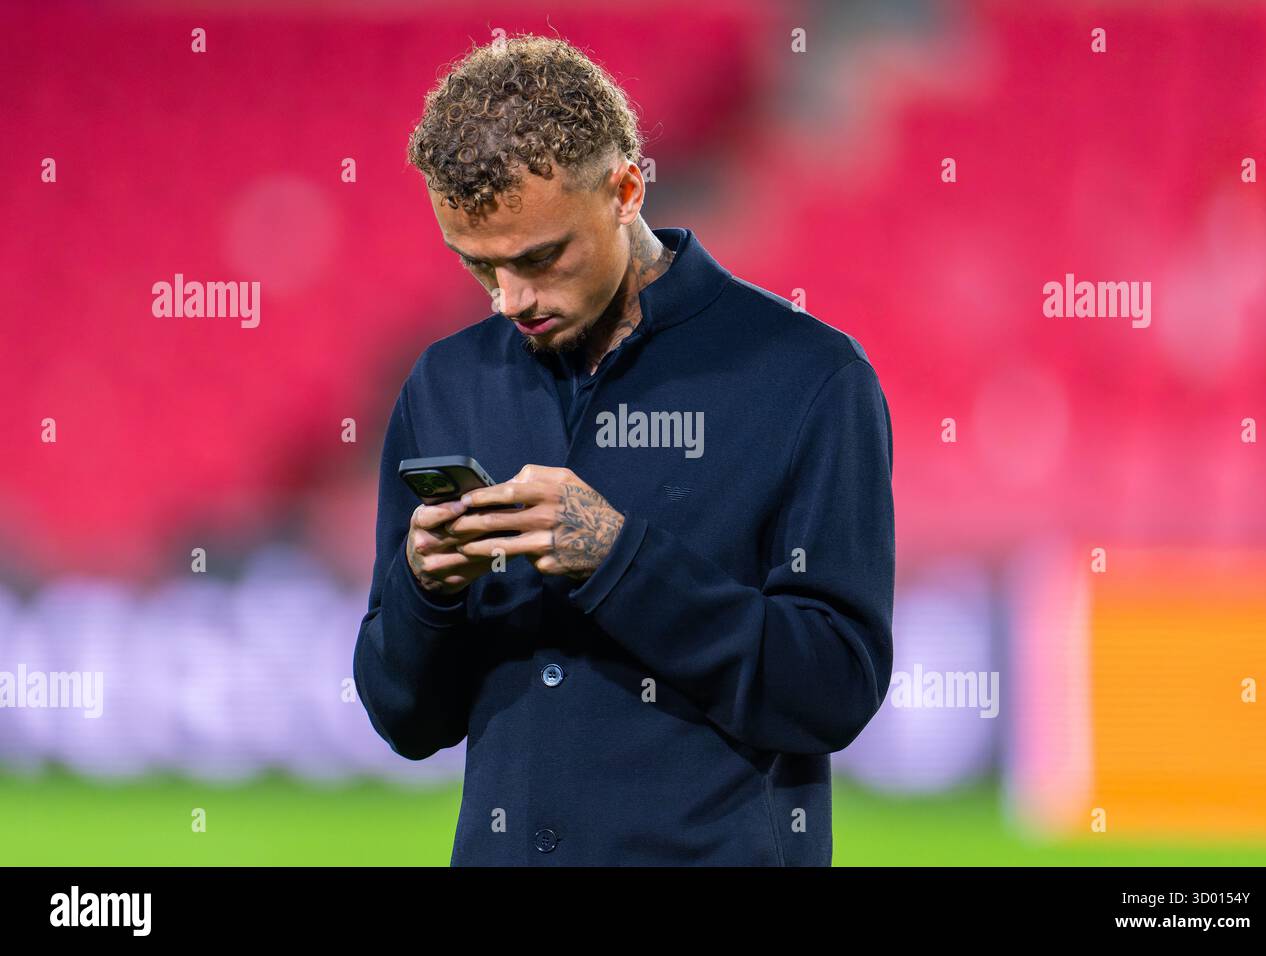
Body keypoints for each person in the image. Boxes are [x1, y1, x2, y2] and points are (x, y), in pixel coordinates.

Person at [353, 33, 895, 866]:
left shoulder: (811, 377)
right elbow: (406, 722)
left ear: (627, 189)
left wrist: (618, 560)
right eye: (479, 267)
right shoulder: (446, 382)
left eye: (539, 258)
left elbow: (834, 689)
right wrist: (424, 590)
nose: (512, 302)